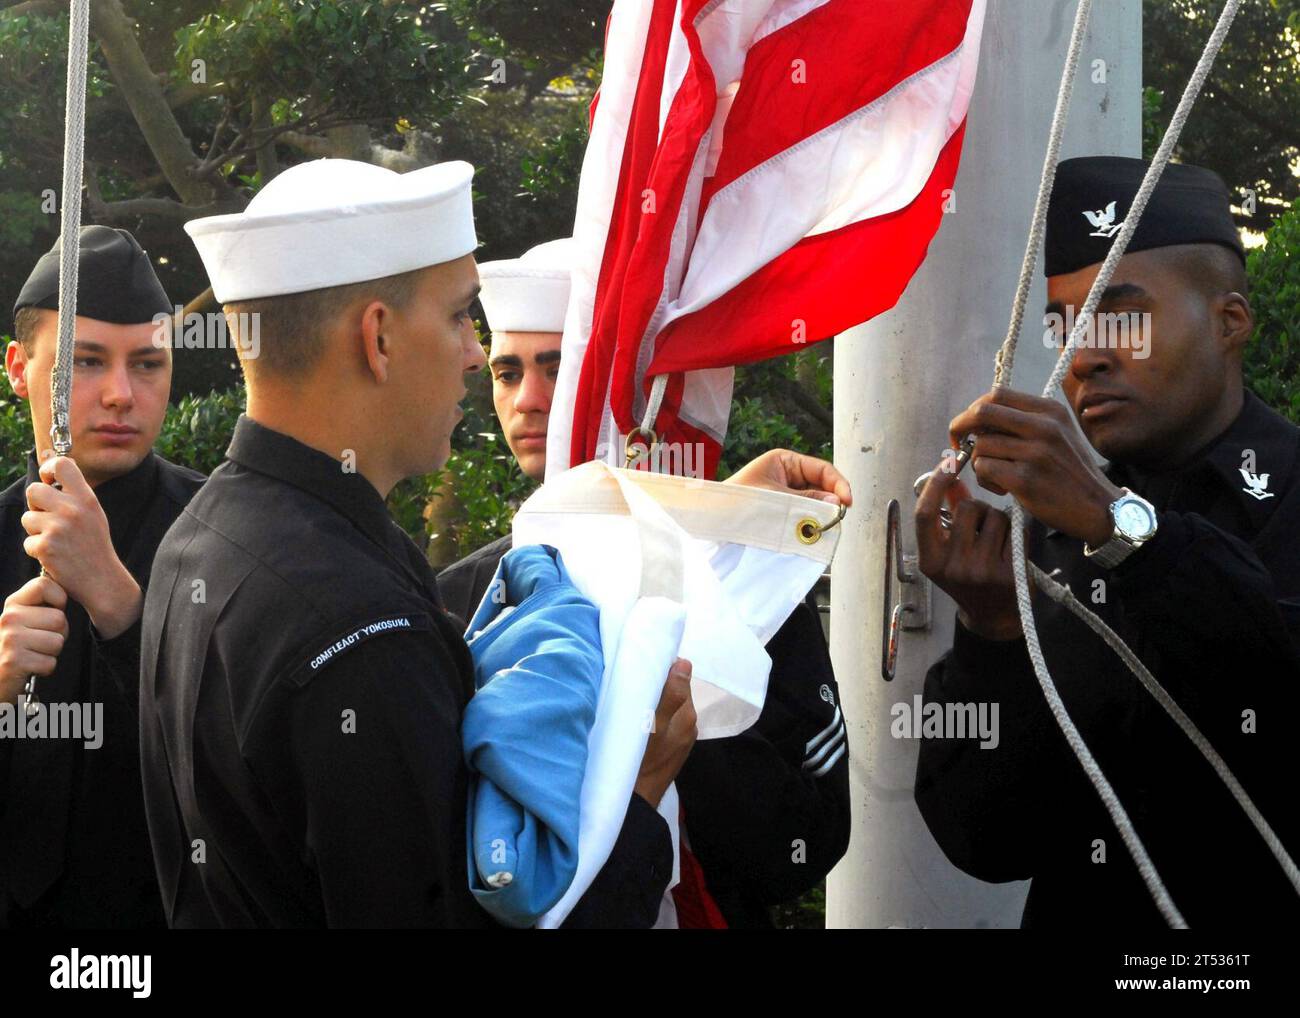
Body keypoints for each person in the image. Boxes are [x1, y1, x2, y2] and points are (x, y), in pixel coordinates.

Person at [143, 159, 845, 929]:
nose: (476, 358)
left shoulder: (198, 541)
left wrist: (709, 523)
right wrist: (632, 800)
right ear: (377, 337)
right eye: (457, 318)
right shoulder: (359, 630)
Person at [912, 156, 1300, 927]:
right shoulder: (1053, 532)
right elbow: (985, 841)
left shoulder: (1100, 514)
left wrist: (1118, 527)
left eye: (1121, 317)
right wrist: (989, 633)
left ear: (1230, 322)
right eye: (1064, 326)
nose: (1083, 356)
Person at [438, 239, 852, 928]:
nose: (529, 400)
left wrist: (699, 577)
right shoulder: (467, 597)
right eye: (507, 372)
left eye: (558, 369)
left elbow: (802, 844)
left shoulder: (736, 570)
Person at [0, 226, 205, 928]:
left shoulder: (227, 537)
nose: (120, 394)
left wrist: (122, 606)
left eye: (147, 365)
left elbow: (255, 761)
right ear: (19, 368)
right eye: (85, 362)